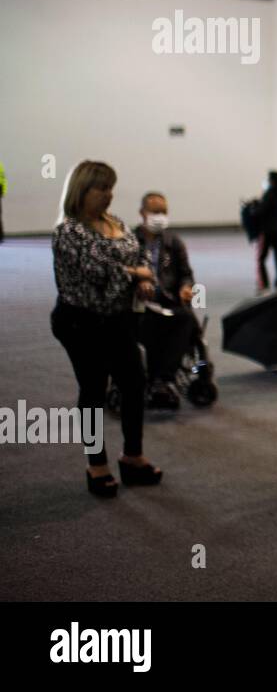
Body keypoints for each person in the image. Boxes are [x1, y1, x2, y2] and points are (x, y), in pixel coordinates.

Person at [50, 161, 164, 498]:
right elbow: (97, 274)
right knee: (93, 390)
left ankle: (132, 456)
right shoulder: (68, 231)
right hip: (81, 322)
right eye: (101, 189)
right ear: (81, 191)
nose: (108, 195)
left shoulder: (116, 223)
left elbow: (138, 258)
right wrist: (136, 276)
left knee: (133, 383)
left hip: (119, 320)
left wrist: (142, 280)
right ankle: (95, 464)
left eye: (111, 188)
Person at [133, 192, 200, 409]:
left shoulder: (174, 242)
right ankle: (156, 379)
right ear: (142, 213)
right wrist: (138, 283)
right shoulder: (130, 241)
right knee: (150, 325)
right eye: (155, 212)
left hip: (170, 300)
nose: (159, 216)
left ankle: (164, 379)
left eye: (163, 212)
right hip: (141, 303)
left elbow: (186, 273)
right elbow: (122, 271)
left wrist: (185, 287)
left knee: (187, 320)